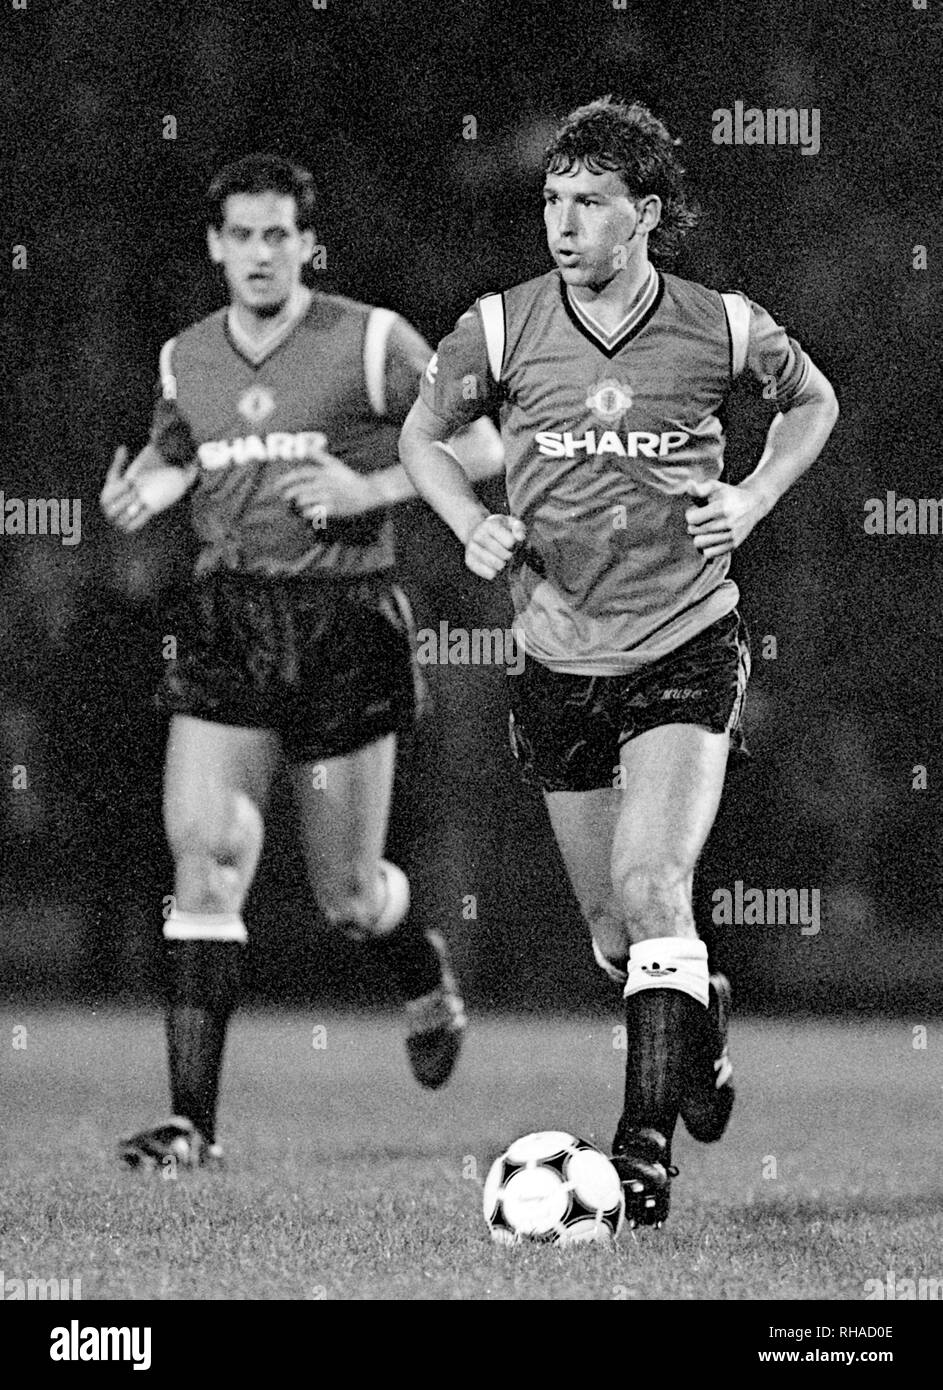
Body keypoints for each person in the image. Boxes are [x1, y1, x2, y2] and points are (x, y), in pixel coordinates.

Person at [399, 98, 838, 1225]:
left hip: (688, 641)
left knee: (654, 888)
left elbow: (812, 399)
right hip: (557, 657)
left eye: (588, 203)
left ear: (643, 215)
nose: (561, 222)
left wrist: (749, 495)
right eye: (552, 200)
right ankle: (698, 1020)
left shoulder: (721, 324)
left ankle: (641, 1158)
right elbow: (421, 437)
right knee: (617, 934)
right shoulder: (498, 329)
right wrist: (467, 519)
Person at [101, 153, 504, 1171]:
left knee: (347, 893)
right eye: (241, 235)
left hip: (343, 625)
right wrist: (145, 488)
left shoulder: (369, 342)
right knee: (207, 855)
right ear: (215, 245)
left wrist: (370, 492)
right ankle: (193, 1123)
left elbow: (488, 447)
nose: (260, 253)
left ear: (303, 242)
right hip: (230, 621)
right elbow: (175, 452)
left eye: (279, 233)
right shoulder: (182, 356)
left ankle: (420, 969)